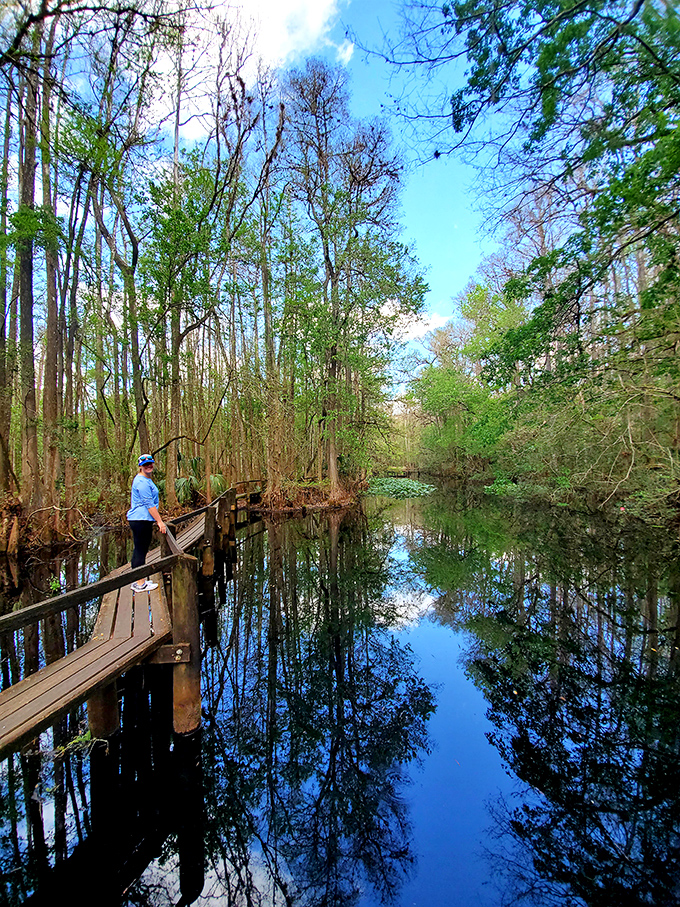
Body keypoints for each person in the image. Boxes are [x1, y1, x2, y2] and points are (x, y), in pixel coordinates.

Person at [127, 453, 167, 593]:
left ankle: (139, 580)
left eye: (150, 464)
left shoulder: (146, 479)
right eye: (145, 465)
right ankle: (140, 583)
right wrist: (160, 521)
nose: (149, 466)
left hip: (143, 519)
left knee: (140, 550)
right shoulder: (141, 482)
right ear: (140, 466)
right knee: (140, 550)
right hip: (140, 519)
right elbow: (149, 504)